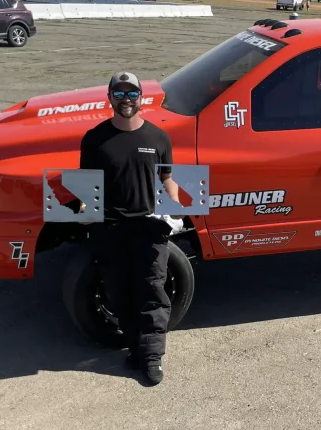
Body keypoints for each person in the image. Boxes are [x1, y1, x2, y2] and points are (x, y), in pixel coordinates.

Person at [78, 71, 182, 386]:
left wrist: (174, 207)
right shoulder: (95, 138)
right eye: (120, 94)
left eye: (132, 94)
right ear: (110, 97)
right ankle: (137, 349)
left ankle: (152, 358)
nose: (126, 100)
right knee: (119, 293)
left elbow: (167, 179)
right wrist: (85, 207)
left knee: (152, 291)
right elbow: (87, 183)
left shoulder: (158, 138)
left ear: (141, 98)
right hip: (110, 228)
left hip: (150, 227)